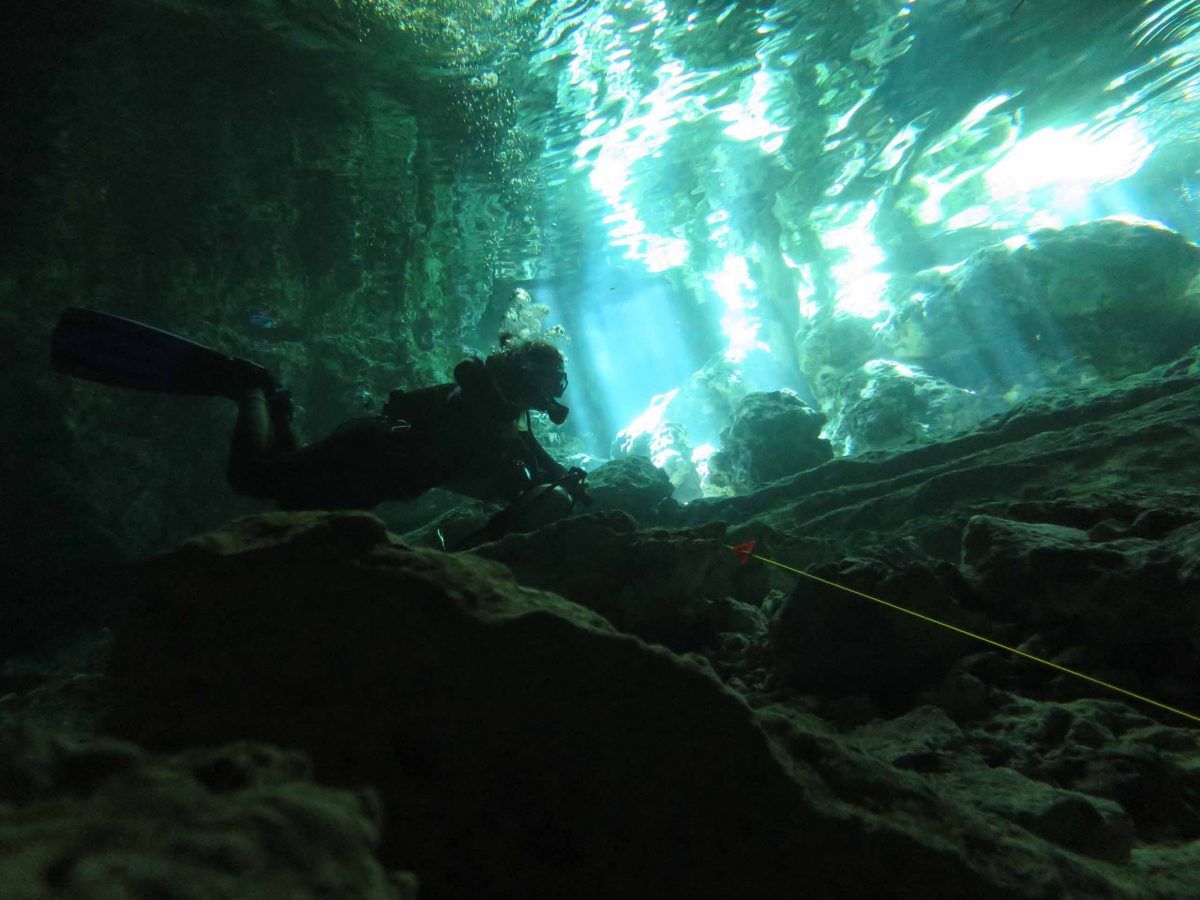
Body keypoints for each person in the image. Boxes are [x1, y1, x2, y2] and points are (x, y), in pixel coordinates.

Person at [226, 338, 580, 515]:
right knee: (253, 478)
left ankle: (278, 406)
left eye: (558, 381)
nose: (555, 391)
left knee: (291, 498)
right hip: (367, 457)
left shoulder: (506, 410)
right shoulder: (484, 400)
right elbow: (485, 455)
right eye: (551, 380)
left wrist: (562, 475)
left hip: (377, 471)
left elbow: (528, 447)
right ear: (527, 376)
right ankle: (251, 385)